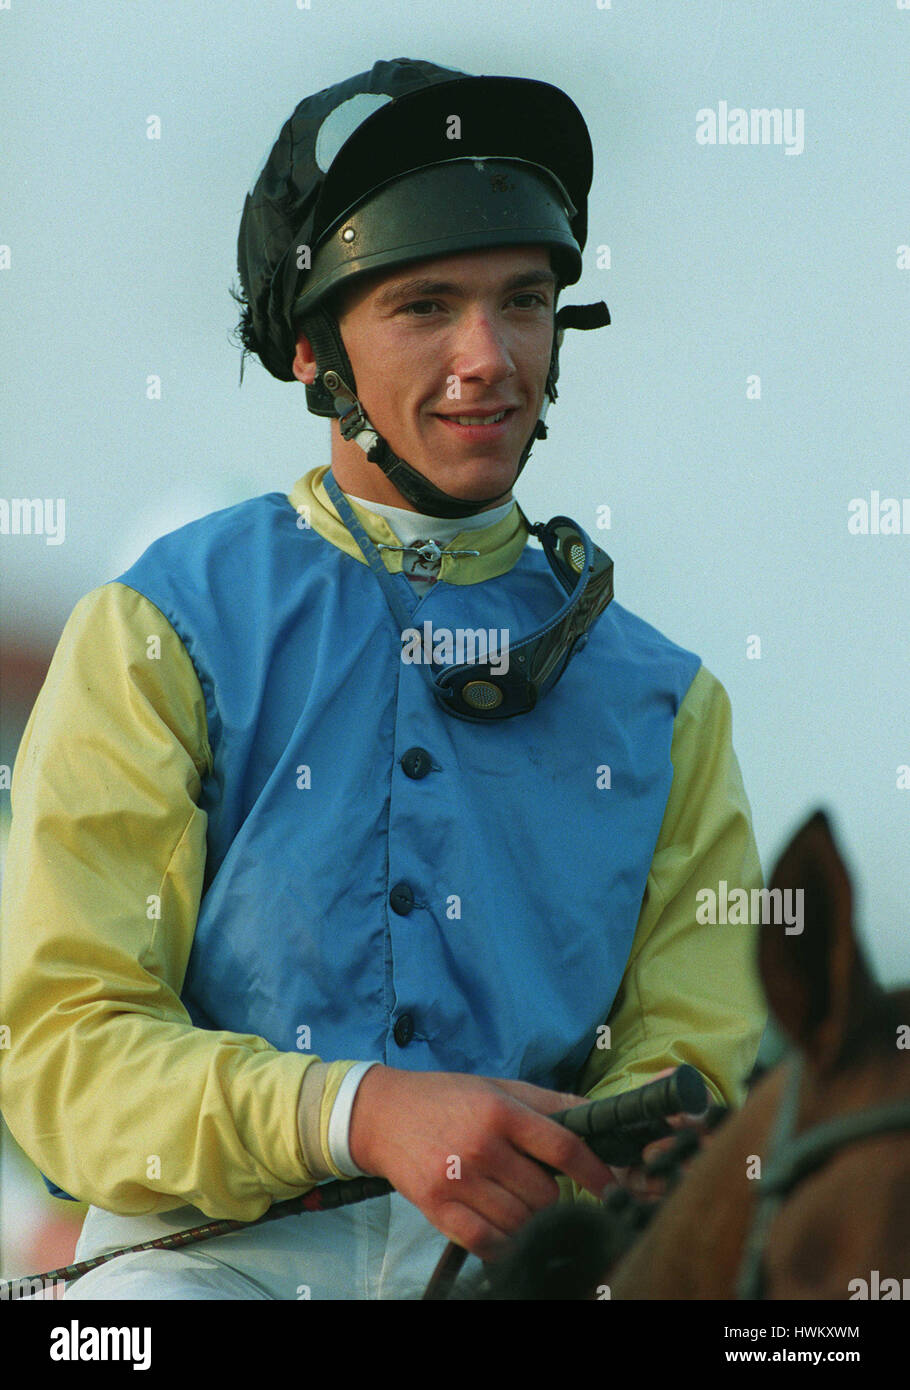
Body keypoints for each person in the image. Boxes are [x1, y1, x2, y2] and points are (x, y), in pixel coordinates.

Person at [0, 58, 766, 1300]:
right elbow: (65, 1060)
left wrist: (607, 1158)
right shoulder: (156, 626)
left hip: (531, 1268)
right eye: (425, 307)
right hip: (199, 1268)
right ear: (313, 353)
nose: (488, 357)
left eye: (522, 302)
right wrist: (359, 1111)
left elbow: (697, 1071)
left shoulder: (667, 701)